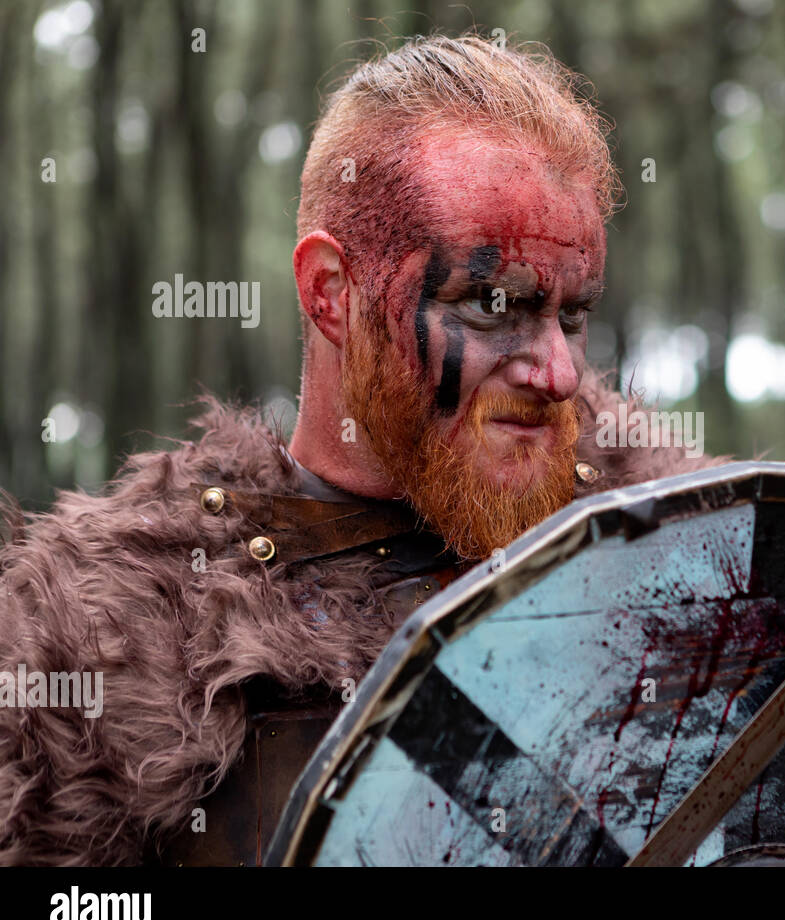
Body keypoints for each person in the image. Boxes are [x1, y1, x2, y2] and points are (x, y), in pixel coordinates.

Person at [0, 34, 718, 865]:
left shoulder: (671, 539)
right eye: (493, 305)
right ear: (331, 294)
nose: (559, 371)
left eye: (574, 314)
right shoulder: (116, 629)